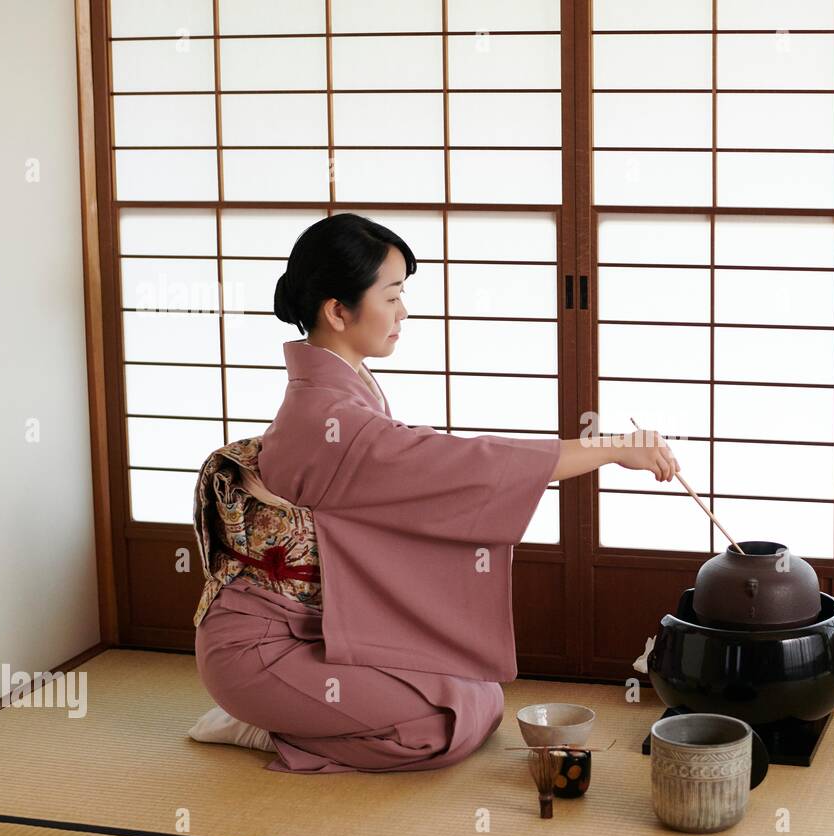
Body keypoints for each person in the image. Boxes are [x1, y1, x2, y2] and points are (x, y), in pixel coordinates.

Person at [188, 212, 678, 773]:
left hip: (322, 626)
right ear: (338, 310)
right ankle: (266, 727)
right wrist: (609, 448)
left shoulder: (338, 392)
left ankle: (297, 717)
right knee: (437, 729)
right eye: (392, 296)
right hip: (262, 649)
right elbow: (469, 467)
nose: (403, 312)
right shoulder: (331, 416)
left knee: (479, 696)